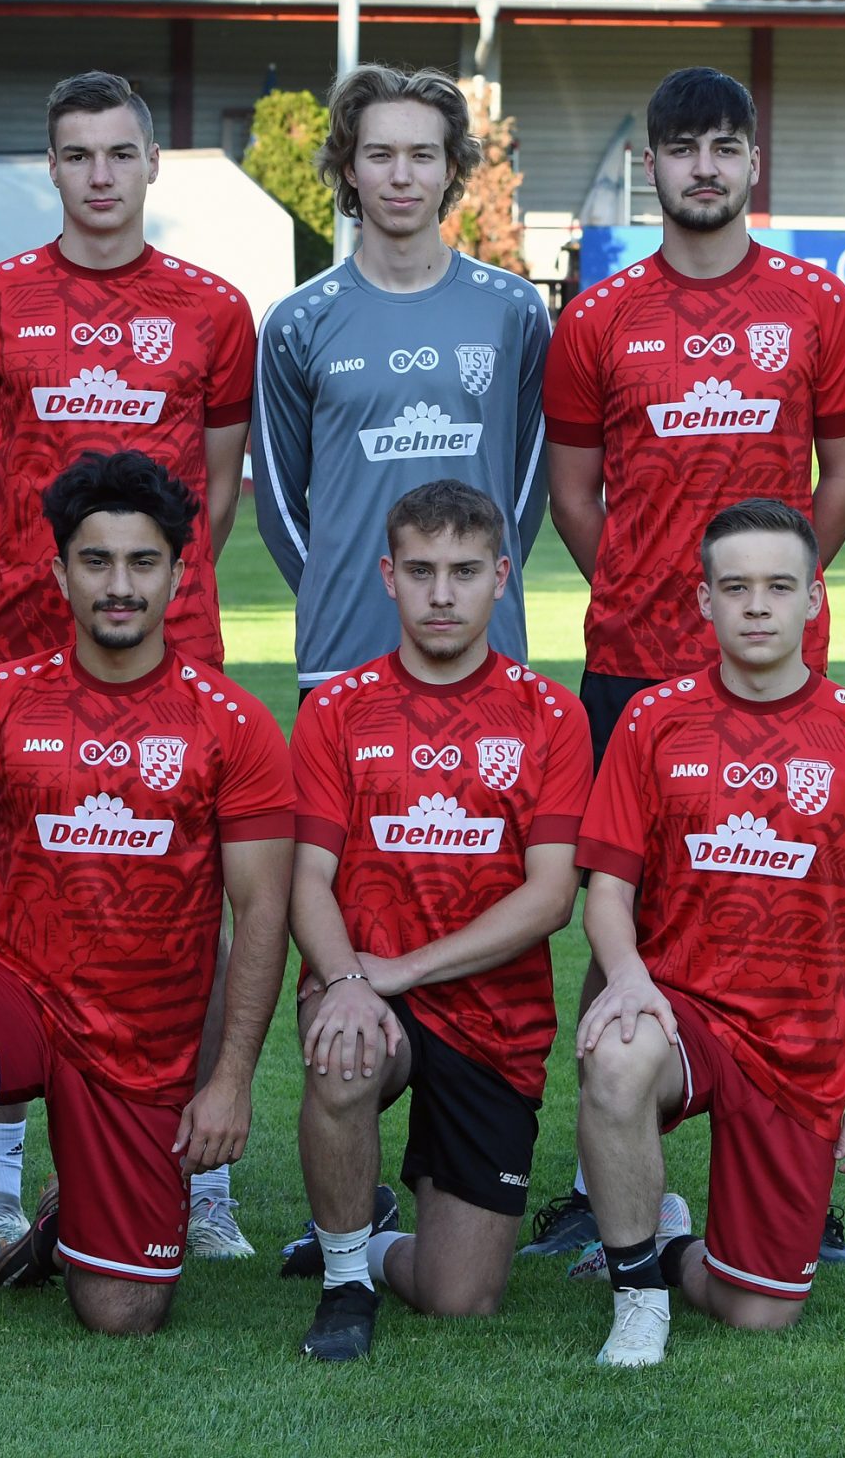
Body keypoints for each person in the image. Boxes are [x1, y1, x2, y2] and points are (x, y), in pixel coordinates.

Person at [0, 450, 293, 1379]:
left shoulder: (232, 723)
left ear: (178, 572)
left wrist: (232, 1079)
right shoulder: (1, 700)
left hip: (149, 1030)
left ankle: (66, 1216)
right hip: (18, 988)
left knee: (122, 1315)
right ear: (58, 573)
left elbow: (261, 910)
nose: (118, 586)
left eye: (141, 562)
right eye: (95, 562)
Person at [532, 66, 845, 1260]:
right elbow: (575, 492)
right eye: (682, 149)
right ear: (654, 168)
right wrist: (651, 588)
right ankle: (599, 1174)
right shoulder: (596, 316)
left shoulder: (816, 306)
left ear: (751, 162)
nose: (704, 168)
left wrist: (774, 594)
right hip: (632, 665)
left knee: (787, 908)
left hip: (781, 684)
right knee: (610, 908)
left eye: (725, 146)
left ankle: (796, 1180)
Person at [0, 71, 258, 1262]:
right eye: (77, 155)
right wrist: (56, 596)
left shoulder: (214, 309)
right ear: (53, 166)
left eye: (119, 153)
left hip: (175, 654)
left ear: (150, 165)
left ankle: (204, 1175)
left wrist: (141, 601)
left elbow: (213, 492)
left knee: (187, 899)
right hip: (26, 647)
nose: (100, 175)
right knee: (14, 894)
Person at [572, 499, 845, 1367]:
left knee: (757, 1312)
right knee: (618, 1056)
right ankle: (638, 1297)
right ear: (704, 603)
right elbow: (607, 893)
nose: (756, 606)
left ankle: (673, 1252)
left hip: (803, 1044)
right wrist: (627, 979)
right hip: (685, 1007)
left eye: (778, 586)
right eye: (735, 588)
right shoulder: (653, 723)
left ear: (815, 598)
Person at [285, 480, 592, 1361]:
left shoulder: (551, 716)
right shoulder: (338, 711)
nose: (442, 594)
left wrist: (405, 969)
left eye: (463, 571)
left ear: (502, 577)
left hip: (494, 1017)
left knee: (463, 1301)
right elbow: (309, 878)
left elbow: (551, 898)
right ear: (387, 576)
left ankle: (372, 1241)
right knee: (345, 1050)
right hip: (365, 986)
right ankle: (347, 1281)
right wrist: (346, 979)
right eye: (421, 571)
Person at [254, 64, 550, 702]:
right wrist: (346, 583)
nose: (400, 175)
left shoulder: (514, 310)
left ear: (450, 170)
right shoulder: (295, 322)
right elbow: (278, 506)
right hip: (344, 650)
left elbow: (529, 486)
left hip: (484, 648)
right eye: (379, 154)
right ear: (349, 168)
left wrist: (478, 586)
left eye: (422, 154)